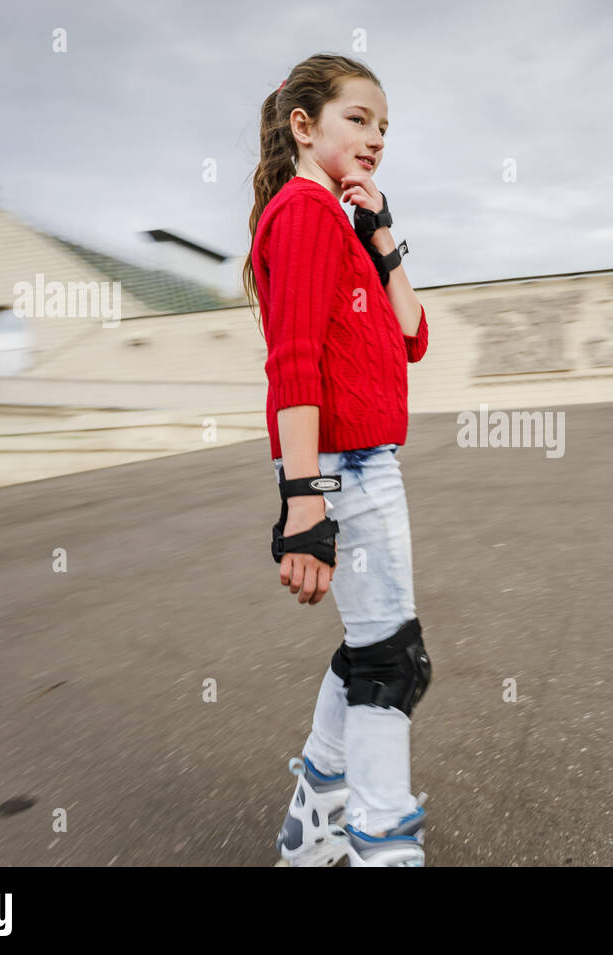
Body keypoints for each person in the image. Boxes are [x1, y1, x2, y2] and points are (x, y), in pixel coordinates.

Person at [242, 54, 432, 867]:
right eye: (359, 119)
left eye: (384, 127)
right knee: (392, 663)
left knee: (373, 651)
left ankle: (313, 827)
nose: (376, 138)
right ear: (304, 124)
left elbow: (415, 336)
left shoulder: (342, 222)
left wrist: (383, 234)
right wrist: (306, 500)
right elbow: (292, 363)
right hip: (346, 467)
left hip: (366, 461)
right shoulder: (303, 215)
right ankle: (381, 841)